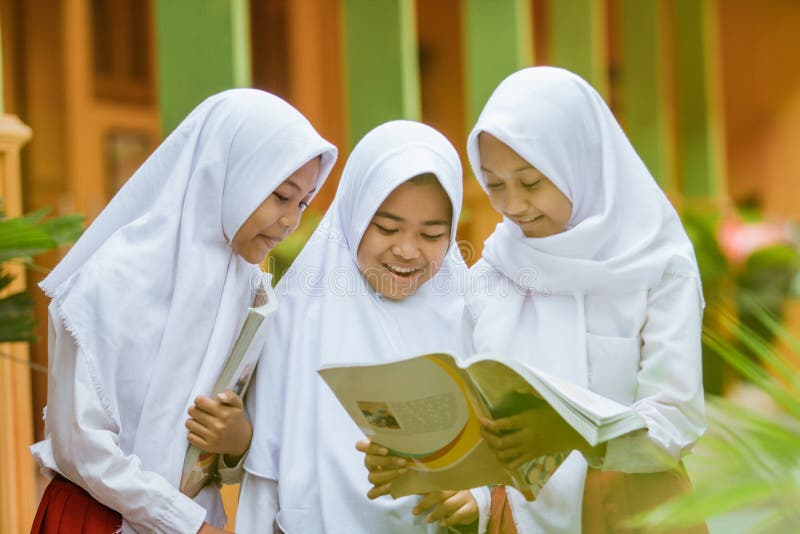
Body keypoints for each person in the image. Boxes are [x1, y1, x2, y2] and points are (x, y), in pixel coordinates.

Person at [29, 89, 337, 534]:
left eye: (303, 203)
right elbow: (80, 443)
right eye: (281, 196)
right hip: (99, 519)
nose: (291, 220)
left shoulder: (250, 288)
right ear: (232, 173)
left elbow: (241, 426)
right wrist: (182, 523)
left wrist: (237, 439)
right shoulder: (114, 278)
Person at [465, 66, 707, 532]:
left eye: (531, 182)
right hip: (519, 512)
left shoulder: (657, 264)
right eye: (494, 184)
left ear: (581, 161)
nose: (512, 205)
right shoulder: (494, 268)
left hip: (629, 507)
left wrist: (577, 433)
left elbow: (676, 416)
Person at [238, 120, 489, 533]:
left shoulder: (470, 319)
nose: (407, 251)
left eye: (432, 234)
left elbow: (494, 463)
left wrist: (475, 501)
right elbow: (265, 474)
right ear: (354, 214)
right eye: (386, 228)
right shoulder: (296, 318)